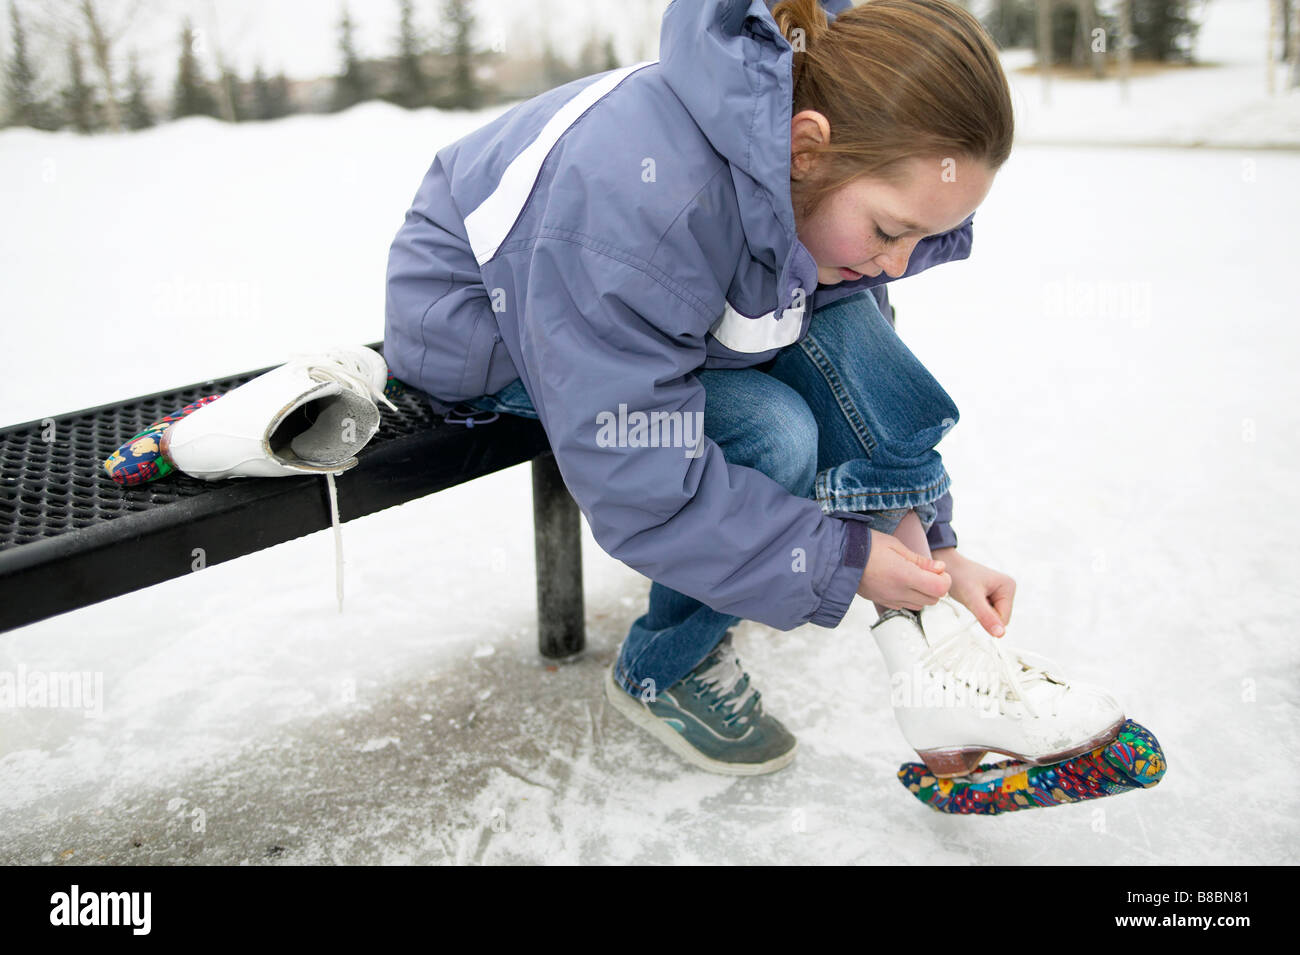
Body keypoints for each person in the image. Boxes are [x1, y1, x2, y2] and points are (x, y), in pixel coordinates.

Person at [383, 0, 1123, 779]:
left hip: (639, 305)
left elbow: (854, 369)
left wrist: (929, 541)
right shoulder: (639, 212)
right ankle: (664, 670)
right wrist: (836, 559)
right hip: (484, 326)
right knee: (773, 432)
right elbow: (639, 477)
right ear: (808, 148)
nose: (902, 263)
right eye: (891, 231)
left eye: (921, 238)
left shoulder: (810, 178)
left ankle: (933, 649)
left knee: (841, 319)